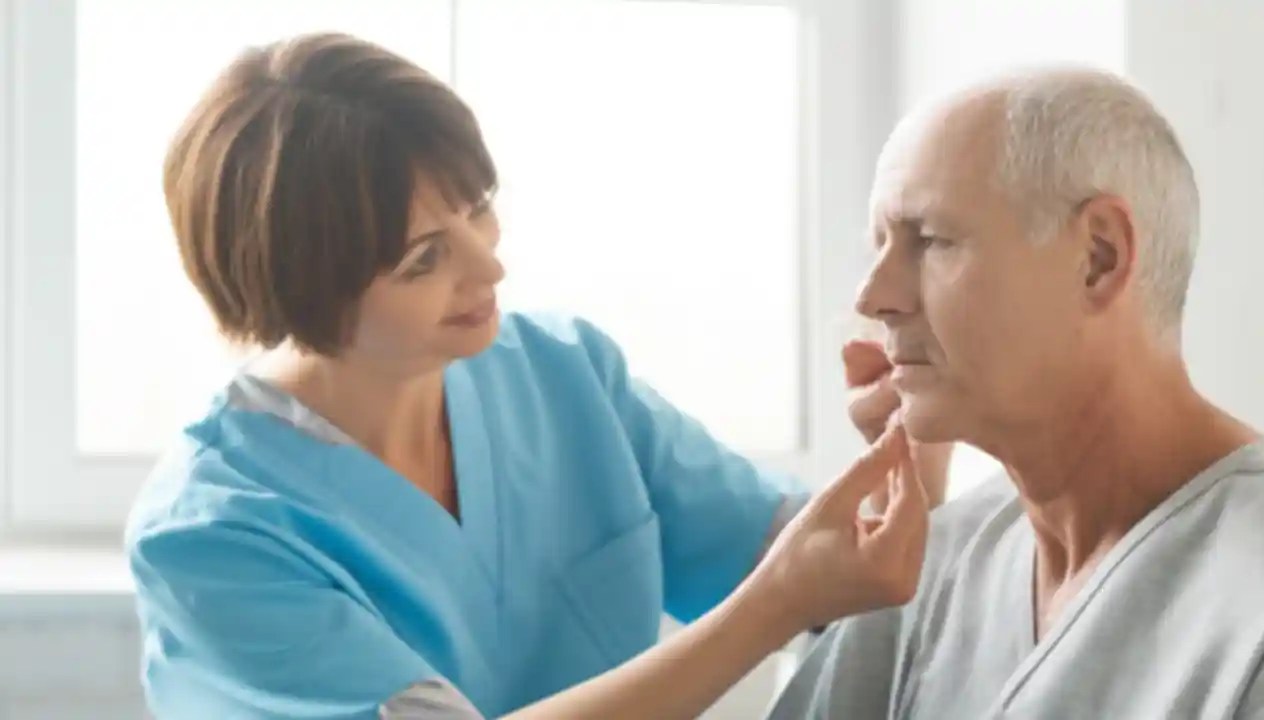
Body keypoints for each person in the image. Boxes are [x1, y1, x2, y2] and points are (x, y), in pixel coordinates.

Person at [125, 32, 936, 719]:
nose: (490, 265)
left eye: (477, 208)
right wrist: (776, 605)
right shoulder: (213, 535)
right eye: (424, 260)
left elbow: (830, 574)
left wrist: (914, 436)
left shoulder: (565, 377)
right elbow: (788, 589)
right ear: (303, 291)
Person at [767, 67, 1264, 719]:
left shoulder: (1261, 600)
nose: (874, 298)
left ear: (1097, 258)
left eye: (930, 240)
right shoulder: (931, 570)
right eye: (880, 245)